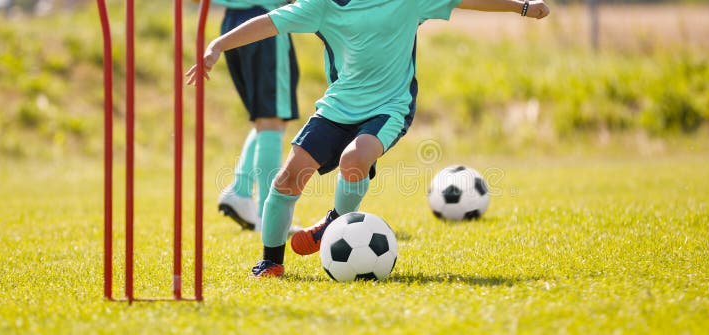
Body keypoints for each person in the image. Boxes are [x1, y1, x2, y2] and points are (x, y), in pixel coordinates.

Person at [187, 0, 550, 277]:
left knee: (355, 158)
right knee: (287, 179)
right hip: (336, 108)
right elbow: (270, 23)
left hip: (391, 106)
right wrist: (218, 44)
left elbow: (464, 0)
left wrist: (522, 6)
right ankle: (270, 262)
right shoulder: (322, 6)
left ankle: (336, 221)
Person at [212, 0, 301, 233]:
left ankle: (240, 191)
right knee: (271, 120)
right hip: (265, 20)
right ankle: (266, 216)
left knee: (268, 121)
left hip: (232, 22)